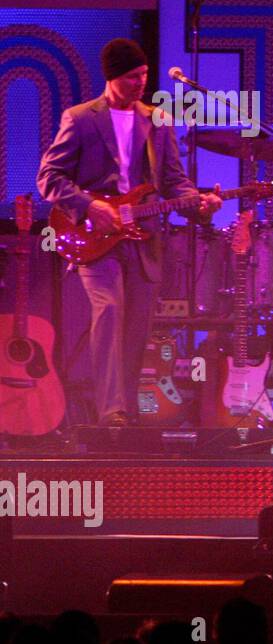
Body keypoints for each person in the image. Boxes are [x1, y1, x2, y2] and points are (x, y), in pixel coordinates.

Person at [37, 38, 221, 425]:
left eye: (143, 74)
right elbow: (49, 178)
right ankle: (112, 410)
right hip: (95, 238)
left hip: (143, 238)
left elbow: (174, 183)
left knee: (138, 326)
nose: (140, 82)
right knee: (109, 310)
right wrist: (90, 206)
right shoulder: (81, 117)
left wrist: (199, 206)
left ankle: (130, 411)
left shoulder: (157, 119)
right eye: (131, 76)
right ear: (111, 77)